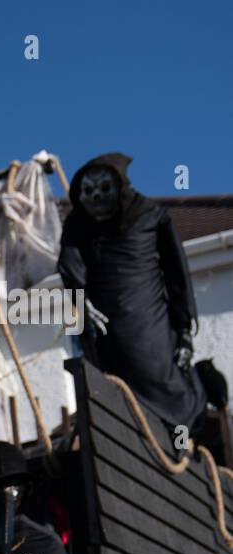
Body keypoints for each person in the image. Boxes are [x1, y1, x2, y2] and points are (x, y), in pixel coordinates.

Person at [57, 152, 206, 432]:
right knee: (113, 381)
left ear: (120, 187)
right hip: (103, 324)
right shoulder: (77, 225)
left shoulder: (150, 215)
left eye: (104, 189)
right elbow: (69, 265)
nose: (96, 197)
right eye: (88, 191)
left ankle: (184, 424)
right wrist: (82, 300)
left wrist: (184, 330)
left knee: (158, 376)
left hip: (147, 320)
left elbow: (177, 275)